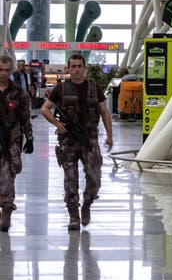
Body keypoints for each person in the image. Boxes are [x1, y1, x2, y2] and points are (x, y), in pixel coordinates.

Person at [40, 52, 113, 231]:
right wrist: (57, 123)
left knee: (95, 178)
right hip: (69, 141)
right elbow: (44, 109)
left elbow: (104, 112)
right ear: (68, 69)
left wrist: (110, 136)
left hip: (90, 138)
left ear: (85, 68)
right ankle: (73, 215)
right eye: (73, 66)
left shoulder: (94, 87)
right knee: (70, 179)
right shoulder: (61, 88)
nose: (76, 70)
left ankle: (87, 203)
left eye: (79, 66)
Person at [0, 53, 34, 232]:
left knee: (9, 171)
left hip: (12, 138)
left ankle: (6, 207)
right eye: (0, 70)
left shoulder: (19, 93)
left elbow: (25, 118)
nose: (3, 73)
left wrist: (30, 138)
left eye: (7, 70)